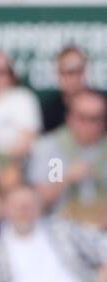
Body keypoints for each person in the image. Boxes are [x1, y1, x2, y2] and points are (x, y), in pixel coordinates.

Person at [29, 90, 107, 225]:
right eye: (82, 118)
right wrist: (68, 177)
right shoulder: (53, 149)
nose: (89, 125)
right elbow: (41, 199)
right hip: (62, 227)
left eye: (95, 119)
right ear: (69, 118)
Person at [41, 46, 93, 133]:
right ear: (58, 73)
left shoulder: (101, 105)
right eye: (67, 72)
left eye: (78, 71)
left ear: (85, 71)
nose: (73, 78)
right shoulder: (48, 108)